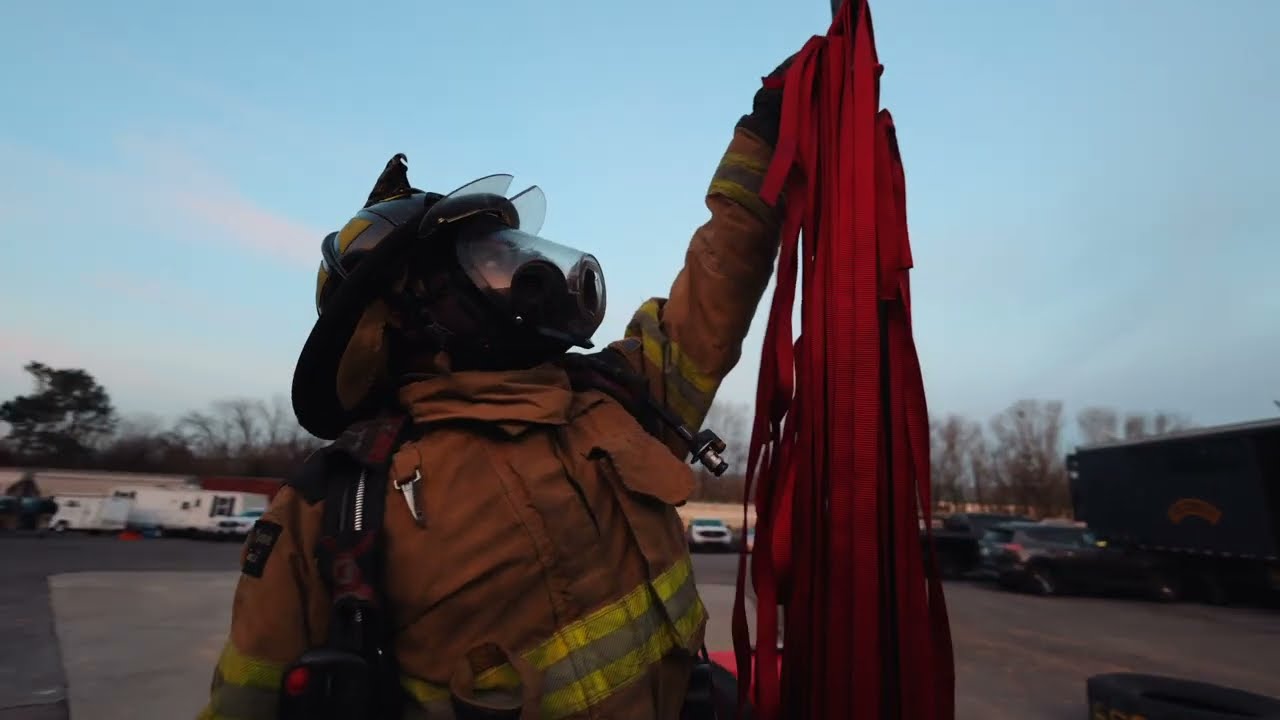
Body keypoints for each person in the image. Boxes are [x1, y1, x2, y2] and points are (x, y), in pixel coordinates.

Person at [198, 62, 787, 720]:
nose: (526, 274)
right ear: (400, 319)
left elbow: (716, 283)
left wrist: (764, 136)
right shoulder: (328, 513)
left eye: (507, 250)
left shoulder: (615, 400)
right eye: (487, 262)